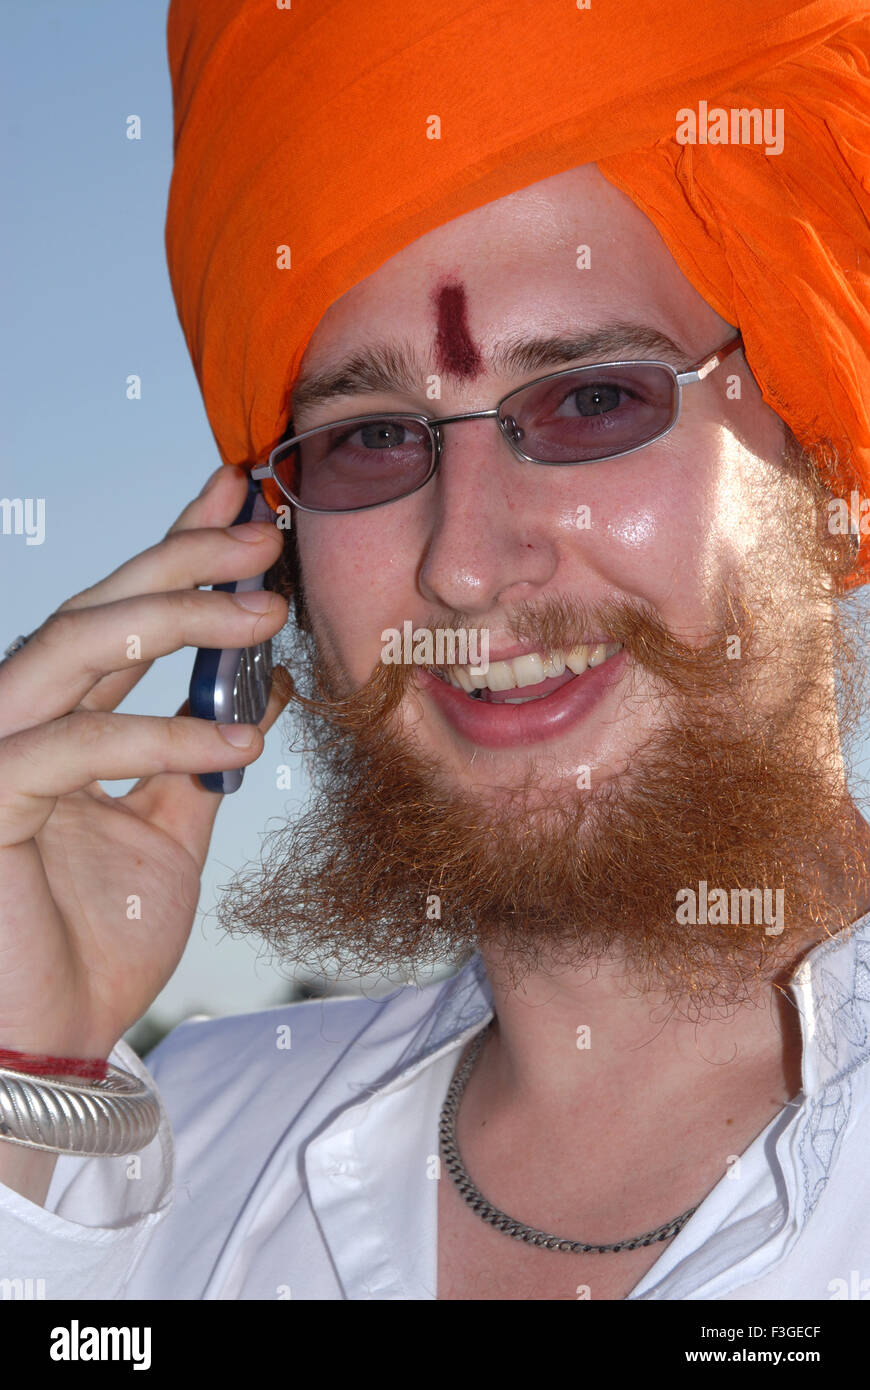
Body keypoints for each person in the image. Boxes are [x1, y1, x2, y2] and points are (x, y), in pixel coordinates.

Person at [1, 0, 869, 1302]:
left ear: (824, 451)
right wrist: (30, 1077)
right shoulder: (170, 1156)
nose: (461, 561)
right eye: (371, 437)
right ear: (261, 544)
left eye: (589, 400)